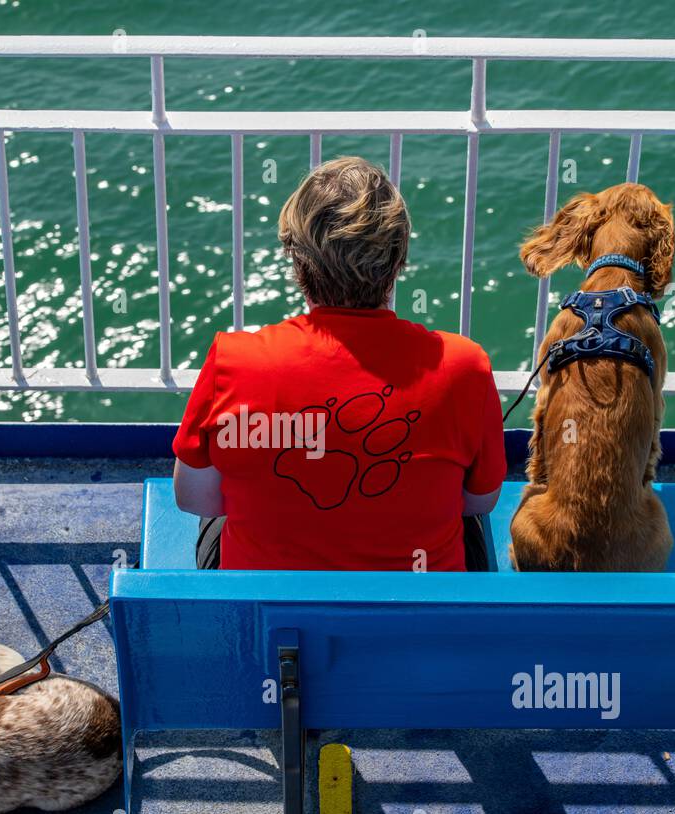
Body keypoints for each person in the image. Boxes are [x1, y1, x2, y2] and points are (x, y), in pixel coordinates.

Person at [171, 156, 505, 571]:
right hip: (418, 614)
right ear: (399, 258)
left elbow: (193, 499)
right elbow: (481, 499)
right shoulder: (464, 367)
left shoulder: (234, 361)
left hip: (273, 620)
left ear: (297, 262)